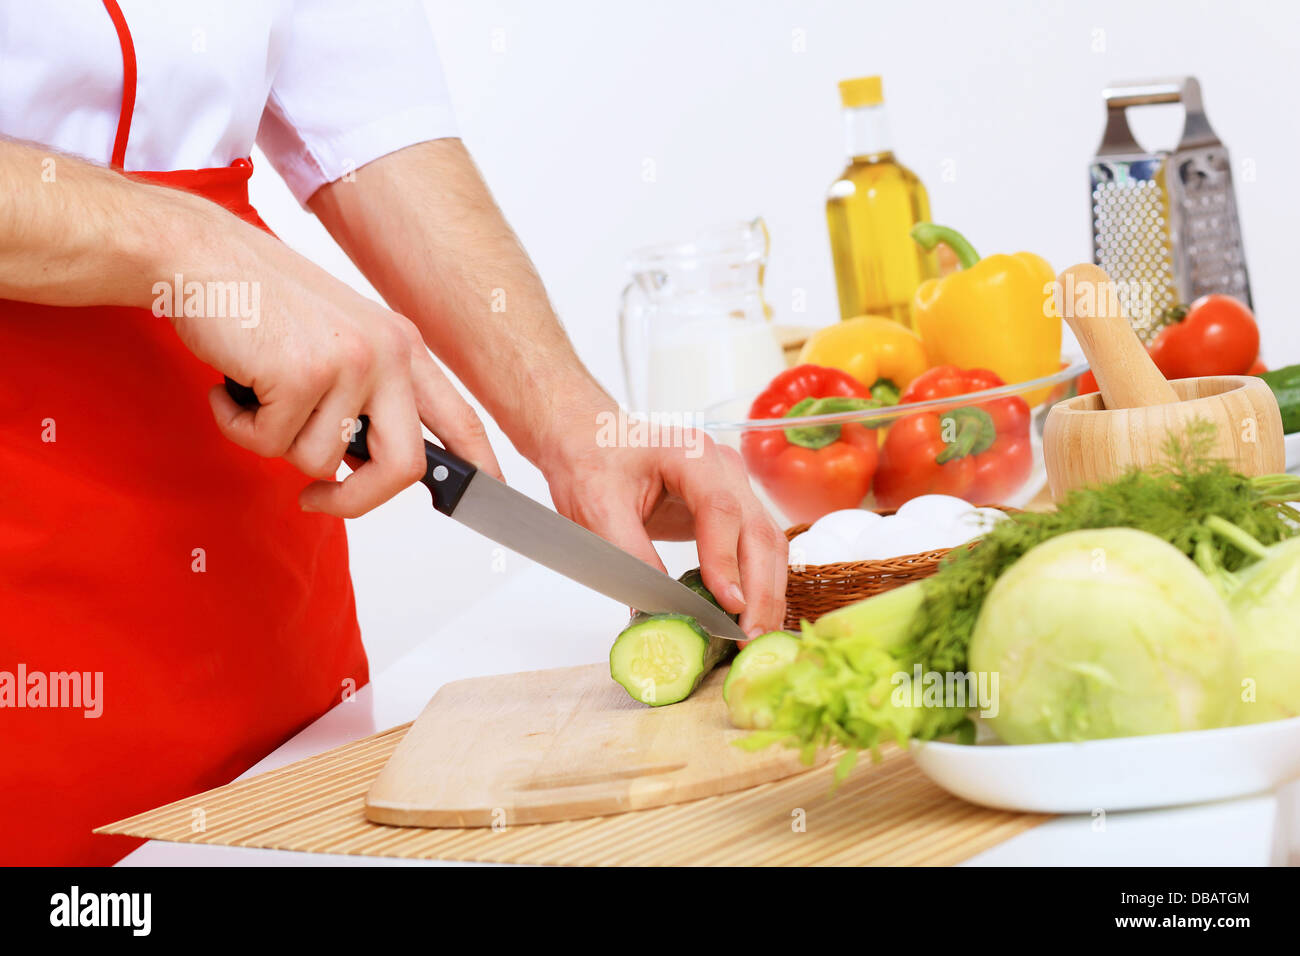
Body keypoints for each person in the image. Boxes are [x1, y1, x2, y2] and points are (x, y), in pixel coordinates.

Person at [0, 0, 787, 865]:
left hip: (254, 559)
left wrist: (571, 418)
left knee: (285, 827)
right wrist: (184, 241)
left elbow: (366, 119)